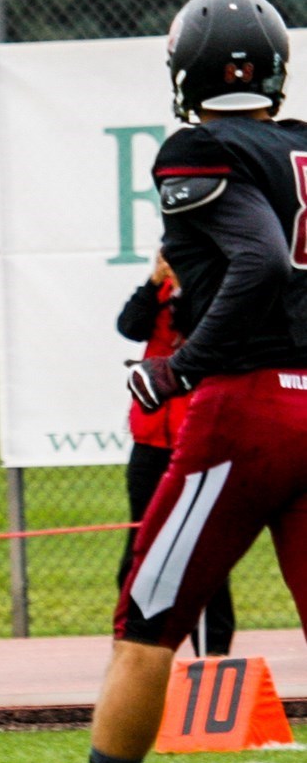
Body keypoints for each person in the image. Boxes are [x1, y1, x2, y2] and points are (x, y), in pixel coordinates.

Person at [8, 0, 307, 763]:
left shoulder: (198, 147)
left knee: (146, 623)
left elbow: (259, 264)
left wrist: (181, 367)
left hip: (244, 412)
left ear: (187, 72)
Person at [115, 252, 235, 657]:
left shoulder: (218, 290)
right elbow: (129, 326)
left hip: (198, 438)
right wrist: (154, 285)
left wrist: (190, 286)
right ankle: (135, 649)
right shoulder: (160, 291)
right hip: (150, 442)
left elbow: (197, 331)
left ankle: (214, 652)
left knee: (205, 549)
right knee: (138, 550)